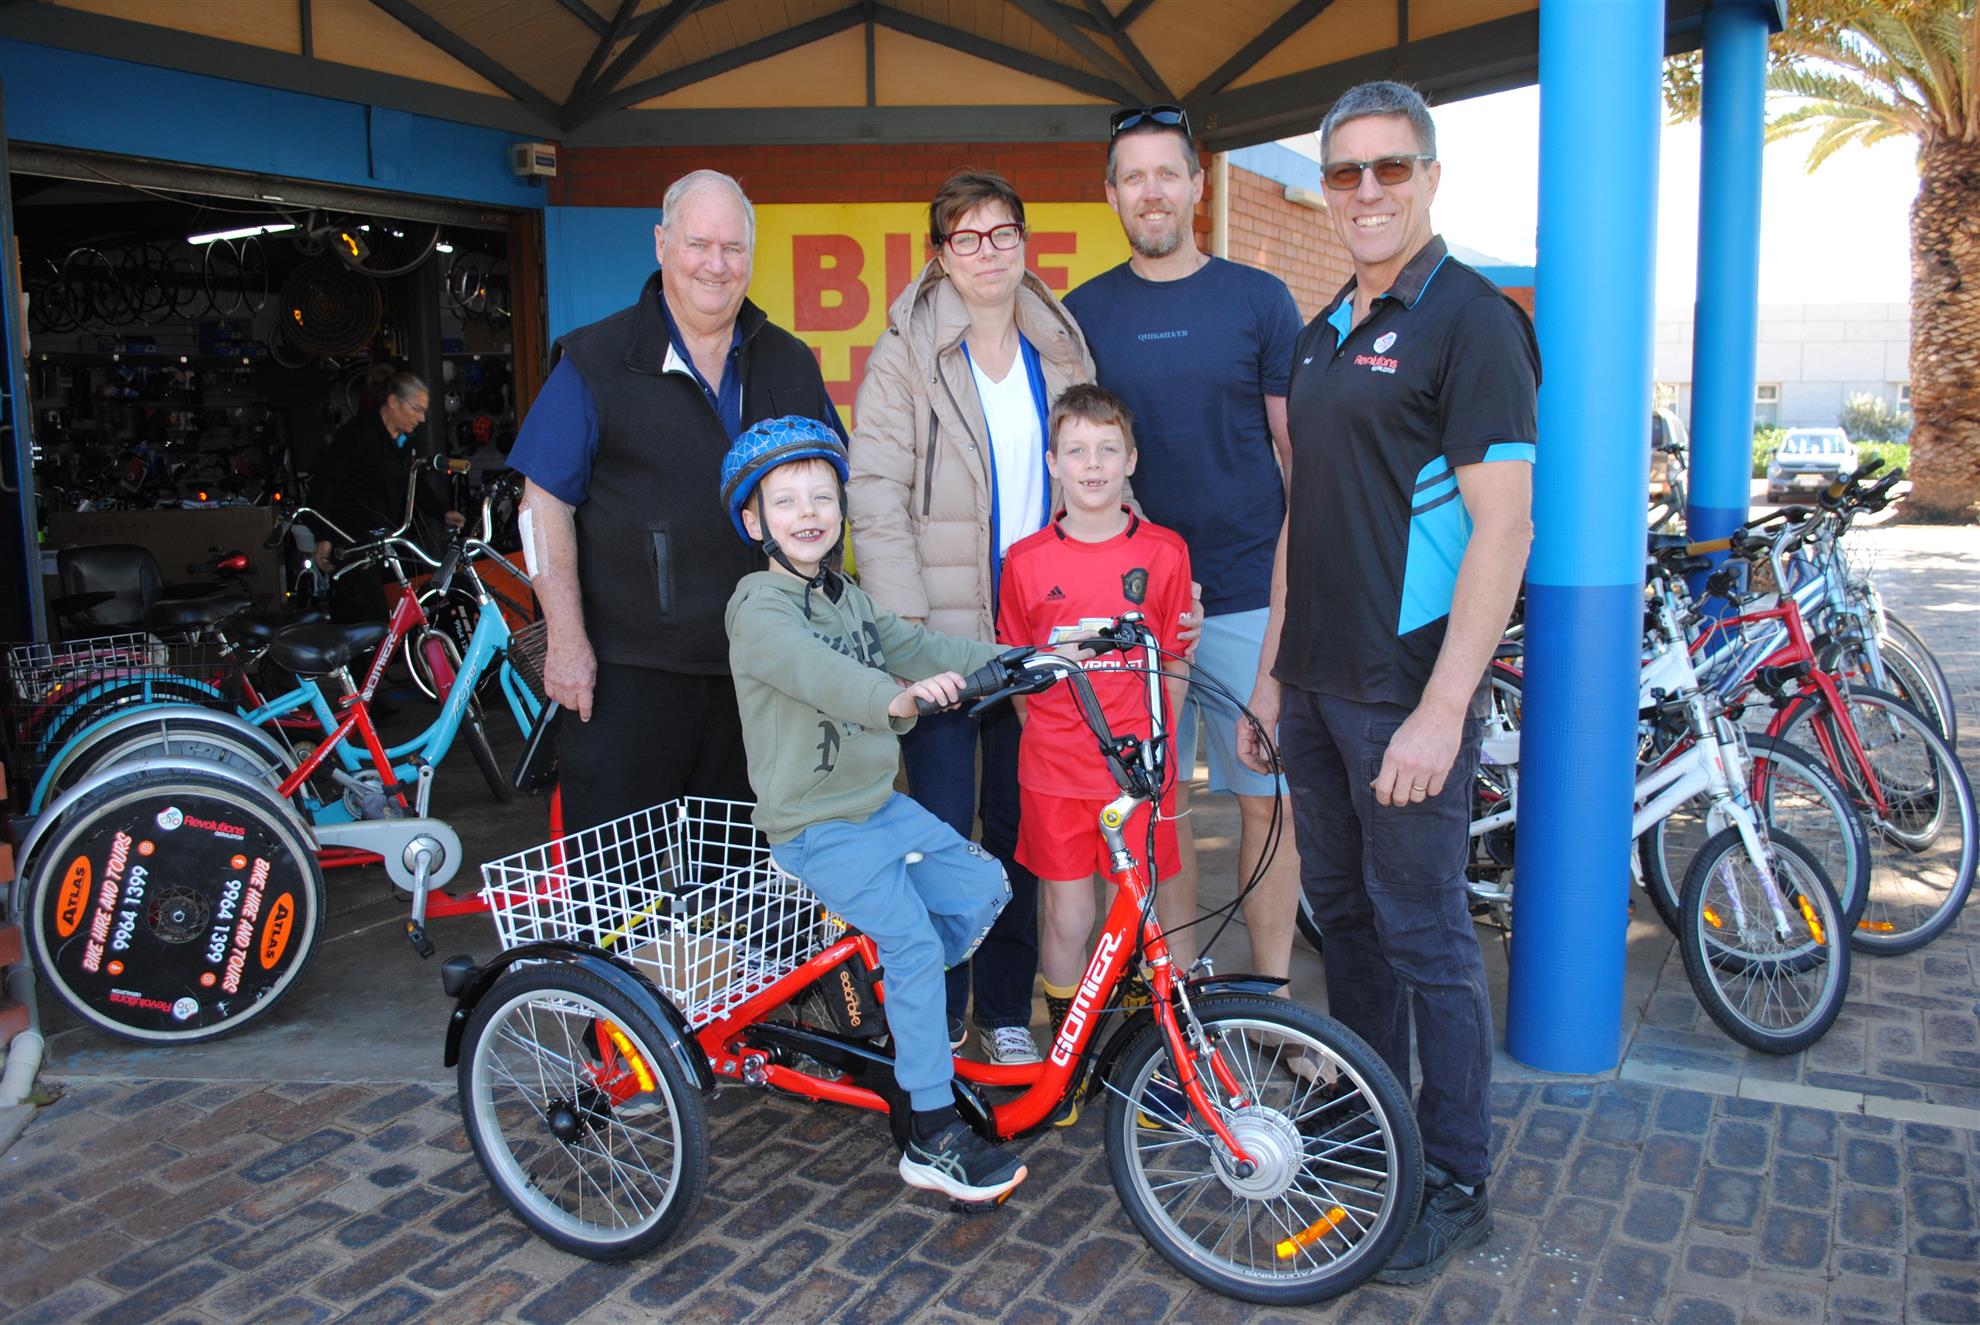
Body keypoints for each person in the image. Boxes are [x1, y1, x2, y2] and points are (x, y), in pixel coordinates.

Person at [1239, 81, 1536, 1285]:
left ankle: (1456, 1174)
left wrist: (1443, 707)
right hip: (1312, 689)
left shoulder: (1474, 320)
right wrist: (1268, 674)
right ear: (1325, 184)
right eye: (1345, 171)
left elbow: (1504, 531)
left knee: (1428, 940)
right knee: (1346, 922)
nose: (1366, 190)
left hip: (1402, 696)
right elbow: (1302, 512)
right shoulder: (1323, 331)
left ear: (1429, 176)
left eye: (1389, 168)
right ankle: (1373, 1118)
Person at [721, 414, 1026, 1202]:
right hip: (814, 825)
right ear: (754, 521)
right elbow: (817, 673)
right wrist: (894, 697)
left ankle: (895, 1017)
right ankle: (927, 1128)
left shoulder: (846, 595)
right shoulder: (757, 604)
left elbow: (920, 645)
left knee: (979, 884)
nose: (809, 511)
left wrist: (1022, 659)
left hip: (877, 808)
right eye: (786, 500)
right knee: (917, 941)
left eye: (822, 494)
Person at [847, 170, 1096, 1066]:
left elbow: (1098, 475)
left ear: (1025, 242)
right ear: (940, 254)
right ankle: (940, 1012)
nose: (987, 252)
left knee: (1023, 825)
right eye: (966, 236)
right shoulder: (907, 349)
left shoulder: (1060, 342)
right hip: (943, 638)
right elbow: (872, 494)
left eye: (1003, 233)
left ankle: (1003, 1008)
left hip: (1040, 634)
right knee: (943, 829)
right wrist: (909, 637)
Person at [509, 170, 841, 833]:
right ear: (661, 244)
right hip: (628, 677)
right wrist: (567, 642)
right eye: (698, 244)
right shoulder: (596, 360)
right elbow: (541, 503)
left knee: (754, 892)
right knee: (615, 887)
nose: (715, 266)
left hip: (760, 676)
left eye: (733, 248)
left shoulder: (789, 362)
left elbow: (830, 493)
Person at [1063, 104, 1306, 980]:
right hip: (1130, 608)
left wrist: (1295, 598)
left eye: (1168, 172)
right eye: (1134, 177)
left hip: (1246, 594)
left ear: (1198, 185)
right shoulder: (1082, 314)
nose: (1152, 191)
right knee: (1154, 814)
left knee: (1265, 799)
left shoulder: (1259, 300)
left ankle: (1272, 990)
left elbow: (1297, 457)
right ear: (1112, 195)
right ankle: (1181, 995)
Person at [997, 386, 1190, 1081]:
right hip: (1055, 773)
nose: (1093, 464)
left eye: (1108, 449)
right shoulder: (1024, 561)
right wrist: (1051, 737)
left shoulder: (1166, 553)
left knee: (1138, 914)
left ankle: (1138, 1057)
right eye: (1076, 450)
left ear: (1131, 459)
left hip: (1137, 772)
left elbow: (1172, 662)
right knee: (1068, 914)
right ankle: (1067, 1062)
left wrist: (1161, 758)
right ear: (1052, 463)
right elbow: (1021, 676)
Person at [308, 370, 462, 623]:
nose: (421, 418)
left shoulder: (402, 443)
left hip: (385, 540)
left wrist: (442, 512)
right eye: (416, 409)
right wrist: (323, 535)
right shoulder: (357, 435)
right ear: (393, 402)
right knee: (369, 617)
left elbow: (414, 483)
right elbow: (325, 483)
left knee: (403, 607)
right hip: (351, 540)